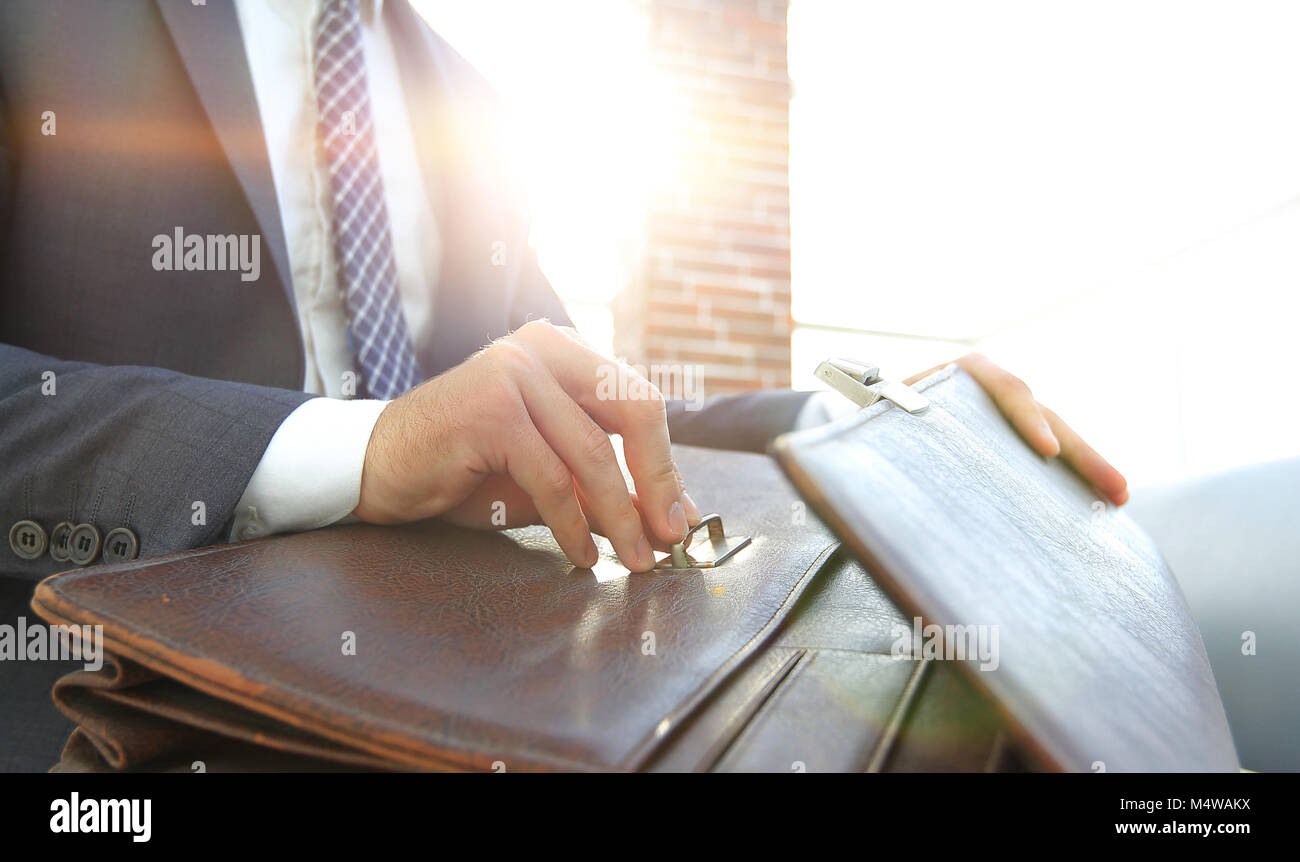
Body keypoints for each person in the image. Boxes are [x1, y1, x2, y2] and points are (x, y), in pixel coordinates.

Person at [0, 0, 1125, 770]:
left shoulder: (472, 103)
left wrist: (863, 418)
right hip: (98, 720)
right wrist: (363, 448)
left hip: (457, 704)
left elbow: (600, 403)